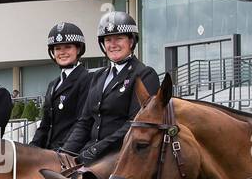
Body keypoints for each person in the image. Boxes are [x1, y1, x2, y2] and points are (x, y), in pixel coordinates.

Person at [62, 11, 160, 164]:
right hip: (90, 154)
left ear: (131, 41)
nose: (112, 44)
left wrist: (97, 150)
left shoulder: (144, 75)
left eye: (119, 38)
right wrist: (64, 154)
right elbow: (85, 122)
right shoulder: (98, 76)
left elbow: (134, 124)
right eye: (108, 39)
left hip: (122, 155)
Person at [31, 22, 91, 151]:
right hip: (49, 152)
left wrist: (63, 151)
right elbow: (45, 124)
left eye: (67, 47)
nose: (62, 52)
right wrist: (31, 149)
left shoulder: (87, 79)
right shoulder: (53, 84)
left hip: (70, 154)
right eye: (58, 48)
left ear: (78, 49)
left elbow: (81, 122)